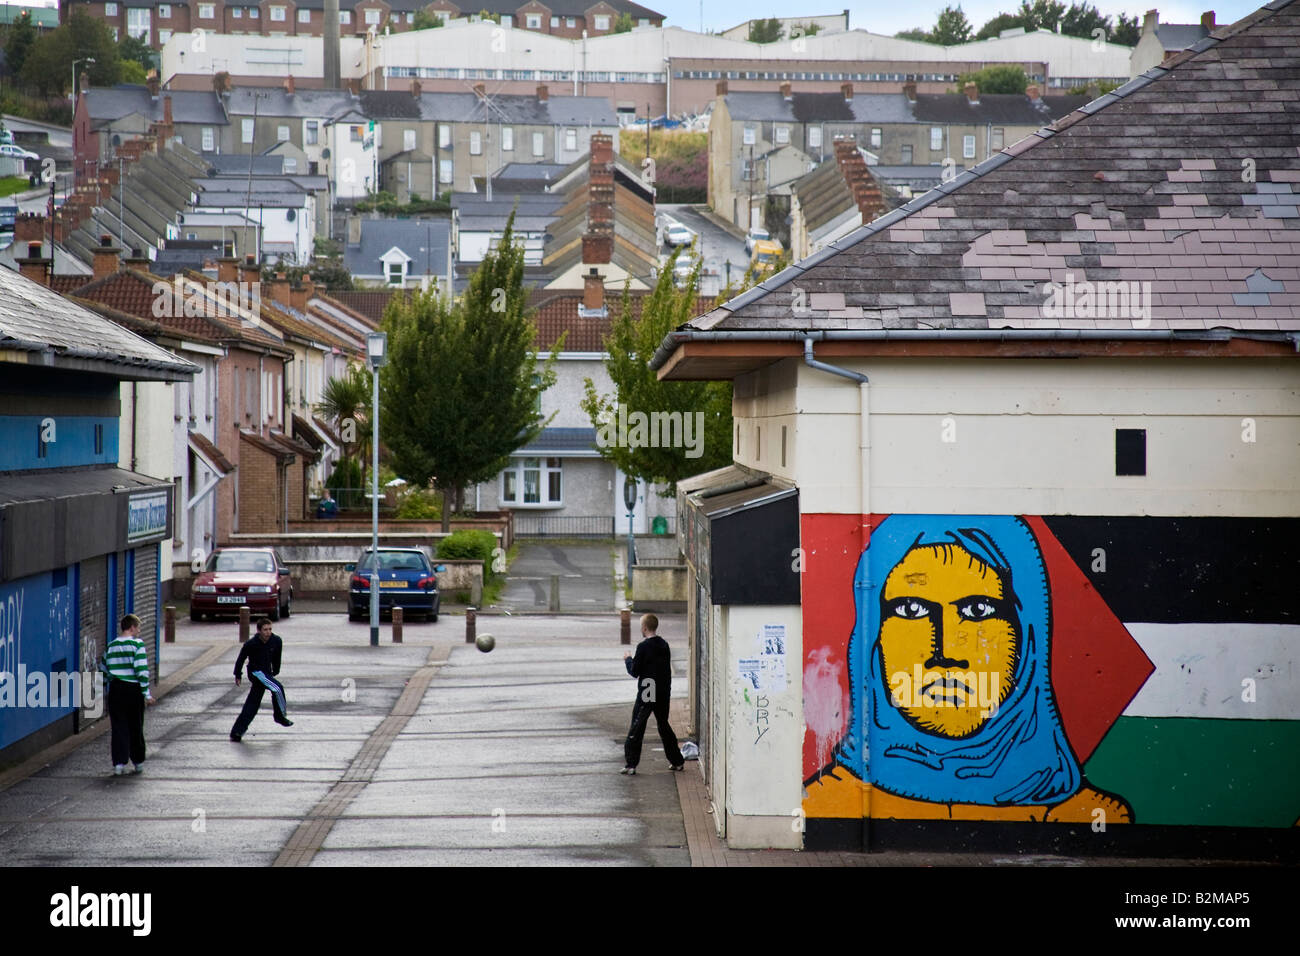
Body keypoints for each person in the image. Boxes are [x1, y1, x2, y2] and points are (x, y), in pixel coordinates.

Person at [803, 515, 1131, 823]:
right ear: (873, 638)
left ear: (1028, 637)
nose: (943, 652)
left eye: (977, 609)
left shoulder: (1089, 816)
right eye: (912, 609)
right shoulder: (820, 803)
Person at [620, 613, 685, 775]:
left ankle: (631, 764)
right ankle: (676, 760)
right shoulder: (664, 645)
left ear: (644, 627)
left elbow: (634, 671)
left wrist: (628, 659)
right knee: (663, 725)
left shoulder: (643, 647)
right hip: (663, 691)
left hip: (648, 691)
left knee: (637, 726)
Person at [105, 613, 154, 776]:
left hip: (116, 689)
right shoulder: (137, 645)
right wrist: (146, 693)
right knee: (135, 726)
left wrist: (104, 687)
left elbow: (104, 670)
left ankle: (119, 763)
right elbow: (141, 671)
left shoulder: (111, 646)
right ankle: (138, 761)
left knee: (118, 727)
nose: (139, 631)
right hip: (133, 690)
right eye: (138, 627)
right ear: (132, 627)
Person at [230, 617, 293, 741]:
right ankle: (280, 716)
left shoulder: (276, 641)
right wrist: (238, 674)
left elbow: (276, 659)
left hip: (266, 673)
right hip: (256, 673)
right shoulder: (251, 644)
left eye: (270, 629)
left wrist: (275, 671)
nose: (268, 632)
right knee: (277, 688)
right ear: (259, 631)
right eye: (265, 630)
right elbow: (241, 658)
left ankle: (237, 732)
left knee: (252, 704)